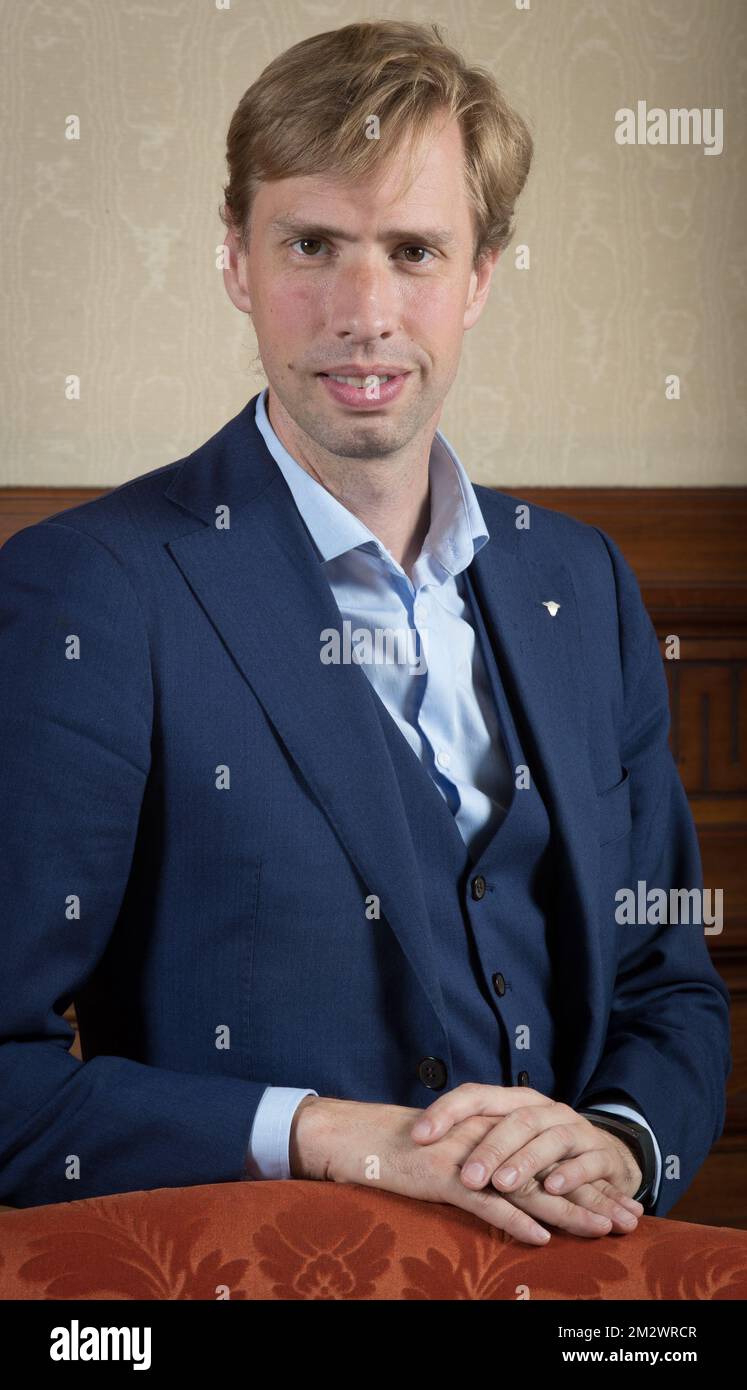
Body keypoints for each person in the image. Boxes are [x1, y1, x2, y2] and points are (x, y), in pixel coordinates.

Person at [0, 20, 730, 1246]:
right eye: (314, 245)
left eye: (414, 250)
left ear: (482, 273)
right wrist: (329, 1132)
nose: (365, 311)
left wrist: (616, 1136)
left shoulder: (583, 582)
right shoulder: (90, 592)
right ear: (236, 258)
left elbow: (670, 985)